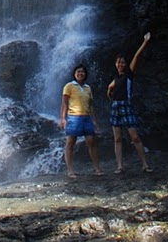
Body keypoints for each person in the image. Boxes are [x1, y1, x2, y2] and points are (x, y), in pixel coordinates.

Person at [107, 32, 152, 174]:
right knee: (117, 138)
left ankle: (145, 165)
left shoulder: (129, 74)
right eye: (118, 62)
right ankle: (120, 166)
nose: (120, 64)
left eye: (122, 62)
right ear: (115, 64)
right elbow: (110, 86)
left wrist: (145, 42)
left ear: (125, 64)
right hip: (115, 106)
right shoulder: (116, 77)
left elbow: (136, 56)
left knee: (135, 136)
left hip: (126, 105)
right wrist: (109, 91)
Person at [59, 63, 101, 178]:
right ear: (74, 74)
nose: (80, 73)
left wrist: (94, 121)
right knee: (70, 143)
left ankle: (96, 169)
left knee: (91, 141)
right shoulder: (69, 86)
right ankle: (70, 171)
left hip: (86, 117)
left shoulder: (88, 88)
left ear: (85, 74)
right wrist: (62, 118)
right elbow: (64, 103)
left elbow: (91, 105)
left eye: (82, 72)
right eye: (78, 71)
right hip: (73, 117)